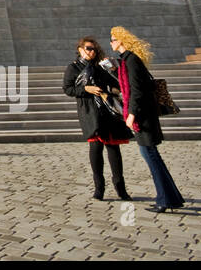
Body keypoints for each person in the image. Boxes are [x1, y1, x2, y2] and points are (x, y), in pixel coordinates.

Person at [110, 25, 185, 213]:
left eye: (112, 39)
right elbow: (130, 85)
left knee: (150, 156)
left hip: (142, 117)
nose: (110, 42)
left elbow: (137, 90)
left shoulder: (131, 60)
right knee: (152, 156)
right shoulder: (127, 60)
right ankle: (171, 197)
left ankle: (165, 199)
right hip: (142, 115)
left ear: (121, 41)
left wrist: (132, 114)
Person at [62, 37, 132, 201]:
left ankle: (120, 188)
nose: (91, 52)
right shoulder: (73, 67)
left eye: (94, 49)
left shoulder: (100, 66)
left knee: (114, 149)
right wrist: (85, 88)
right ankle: (99, 188)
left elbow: (117, 85)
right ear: (80, 49)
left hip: (108, 110)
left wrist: (113, 69)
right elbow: (68, 89)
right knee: (96, 148)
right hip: (90, 112)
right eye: (88, 48)